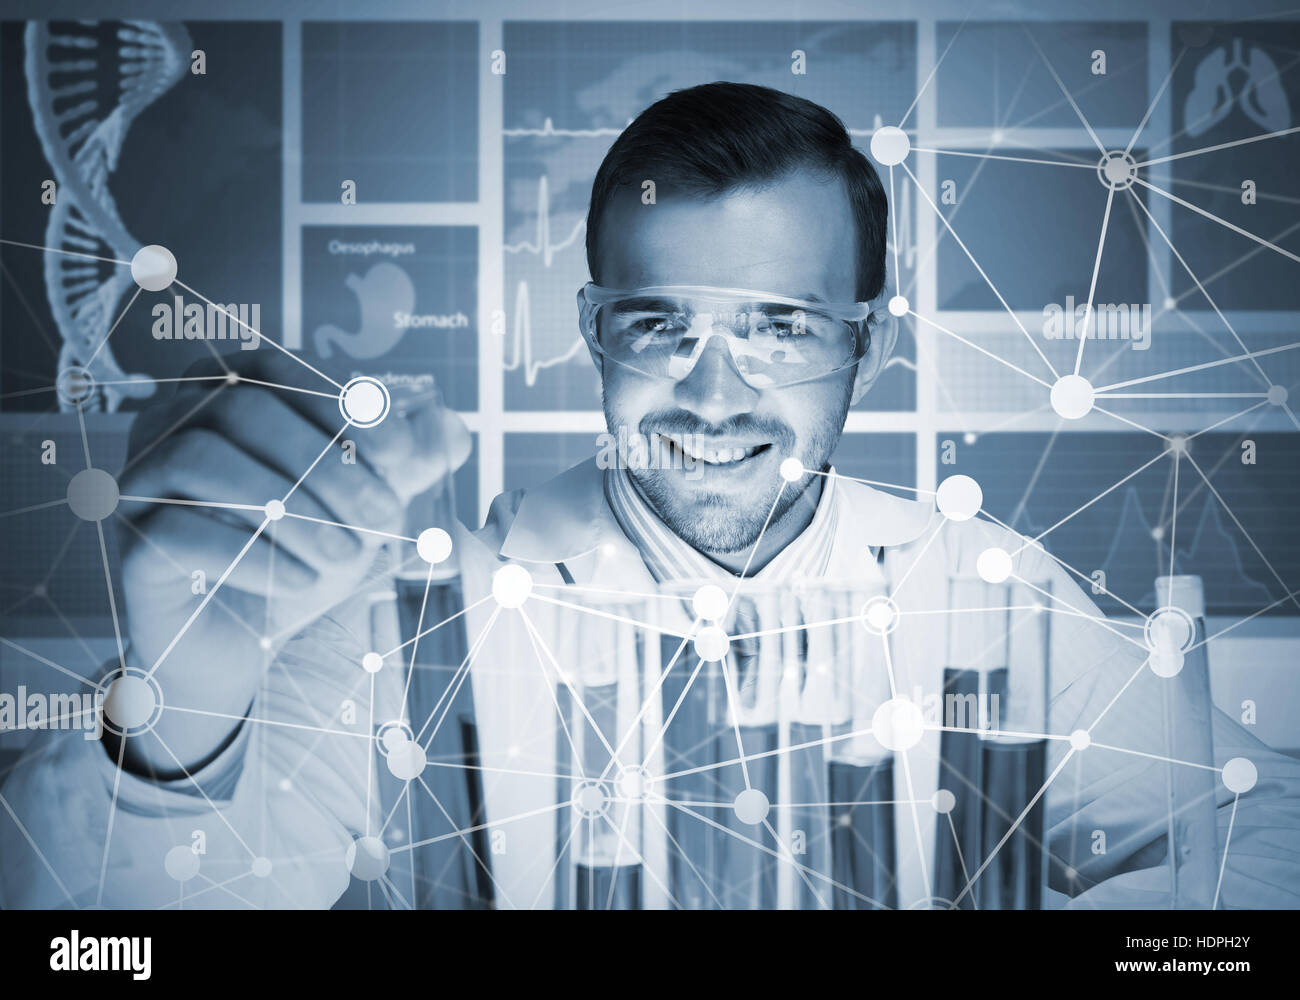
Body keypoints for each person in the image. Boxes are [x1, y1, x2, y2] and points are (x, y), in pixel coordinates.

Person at [2, 83, 1297, 910]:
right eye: (660, 323)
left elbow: (1260, 829)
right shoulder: (419, 617)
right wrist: (173, 719)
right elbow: (102, 932)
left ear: (871, 345)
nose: (714, 395)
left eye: (782, 326)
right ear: (595, 332)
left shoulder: (986, 596)